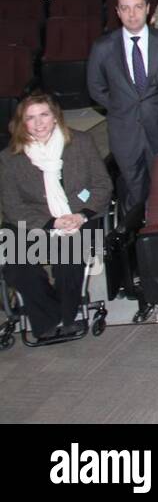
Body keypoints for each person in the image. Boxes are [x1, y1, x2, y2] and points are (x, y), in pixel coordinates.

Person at [0, 92, 112, 340]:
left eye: (44, 115)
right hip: (29, 225)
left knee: (68, 261)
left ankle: (66, 316)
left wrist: (81, 215)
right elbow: (12, 205)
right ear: (22, 123)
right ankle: (51, 317)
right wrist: (51, 223)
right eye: (30, 118)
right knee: (18, 269)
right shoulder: (10, 158)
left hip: (78, 219)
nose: (38, 123)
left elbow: (103, 185)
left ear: (55, 117)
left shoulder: (81, 142)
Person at [86, 0, 158, 212]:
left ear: (148, 8)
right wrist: (119, 107)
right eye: (125, 8)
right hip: (124, 131)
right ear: (117, 12)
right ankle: (135, 237)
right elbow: (96, 88)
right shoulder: (103, 47)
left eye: (137, 7)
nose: (132, 14)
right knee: (134, 191)